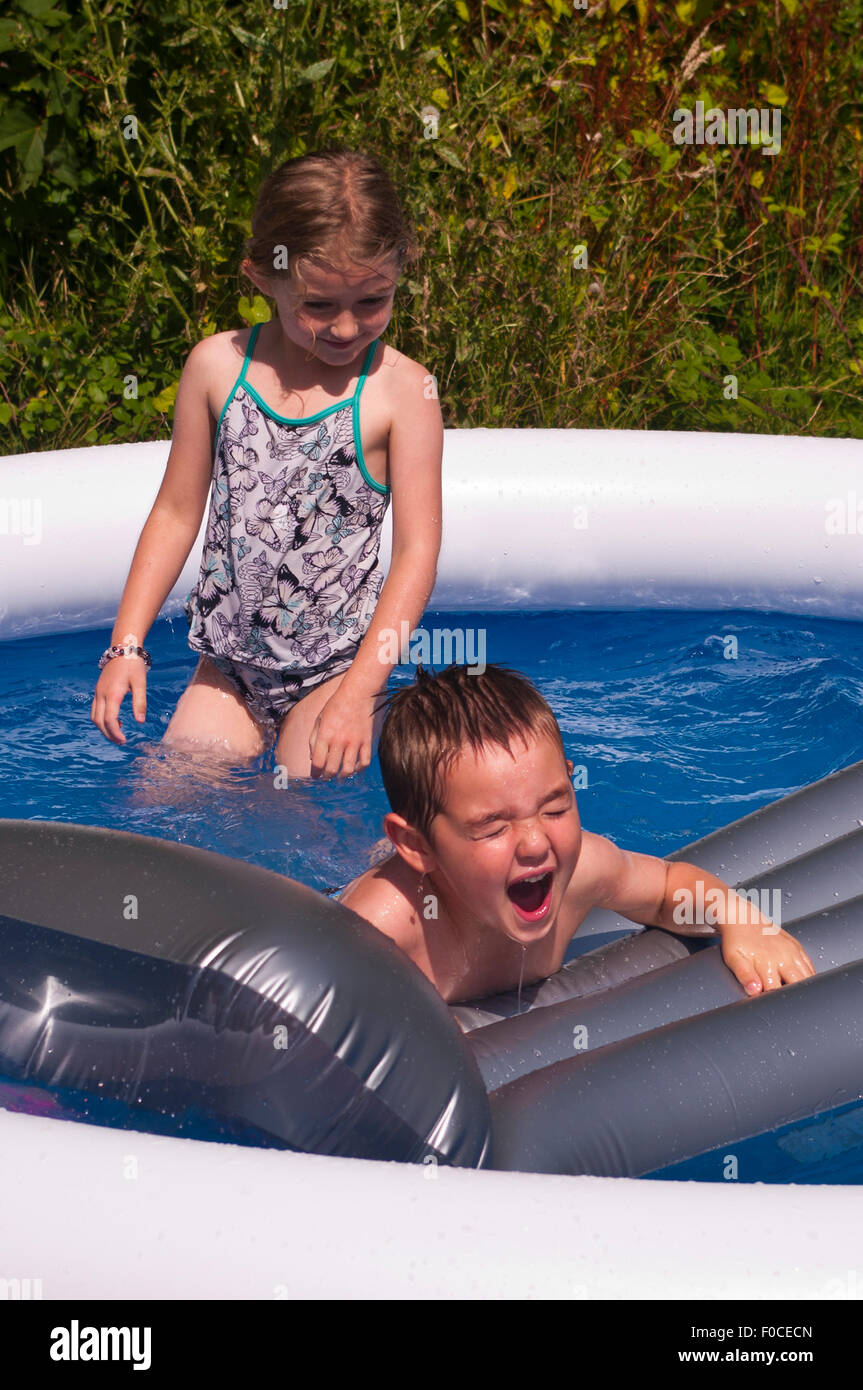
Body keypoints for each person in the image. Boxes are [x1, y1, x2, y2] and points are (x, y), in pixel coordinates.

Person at [91, 149, 443, 778]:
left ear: (398, 275)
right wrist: (127, 645)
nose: (345, 326)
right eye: (317, 305)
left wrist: (362, 693)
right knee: (163, 799)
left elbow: (416, 553)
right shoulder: (217, 368)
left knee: (298, 810)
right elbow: (175, 514)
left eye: (372, 301)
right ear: (261, 277)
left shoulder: (402, 394)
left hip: (338, 672)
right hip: (229, 671)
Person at [339, 664, 816, 1004]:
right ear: (418, 845)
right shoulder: (385, 931)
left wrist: (739, 918)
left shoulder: (583, 867)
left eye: (555, 807)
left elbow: (669, 887)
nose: (534, 843)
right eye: (494, 826)